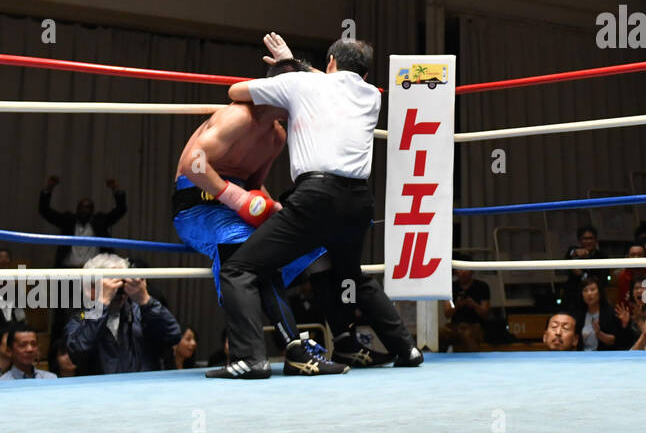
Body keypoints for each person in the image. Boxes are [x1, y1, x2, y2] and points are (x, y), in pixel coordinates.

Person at [215, 36, 421, 378]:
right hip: (358, 203)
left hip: (316, 198)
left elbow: (236, 91)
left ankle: (250, 360)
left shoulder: (301, 85)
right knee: (350, 275)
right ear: (366, 74)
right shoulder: (372, 95)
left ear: (330, 63)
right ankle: (406, 348)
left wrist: (289, 72)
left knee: (239, 270)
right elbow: (334, 81)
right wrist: (295, 64)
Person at [172, 54, 338, 376]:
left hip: (235, 210)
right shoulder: (238, 118)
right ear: (283, 91)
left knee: (303, 247)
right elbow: (192, 164)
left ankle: (296, 346)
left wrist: (271, 206)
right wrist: (236, 199)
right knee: (245, 245)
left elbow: (254, 186)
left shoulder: (277, 137)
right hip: (197, 208)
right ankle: (259, 353)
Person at [65, 253, 182, 374]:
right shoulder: (81, 316)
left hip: (143, 388)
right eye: (112, 283)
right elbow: (77, 351)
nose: (119, 290)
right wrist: (101, 304)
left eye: (122, 283)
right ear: (91, 287)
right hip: (101, 390)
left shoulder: (142, 311)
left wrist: (145, 300)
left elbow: (173, 336)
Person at [39, 176, 126, 269]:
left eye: (87, 207)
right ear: (77, 209)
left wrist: (115, 189)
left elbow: (120, 210)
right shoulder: (68, 221)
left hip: (93, 271)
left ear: (92, 210)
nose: (84, 210)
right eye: (81, 207)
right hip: (68, 270)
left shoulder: (100, 222)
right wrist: (49, 188)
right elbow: (45, 211)